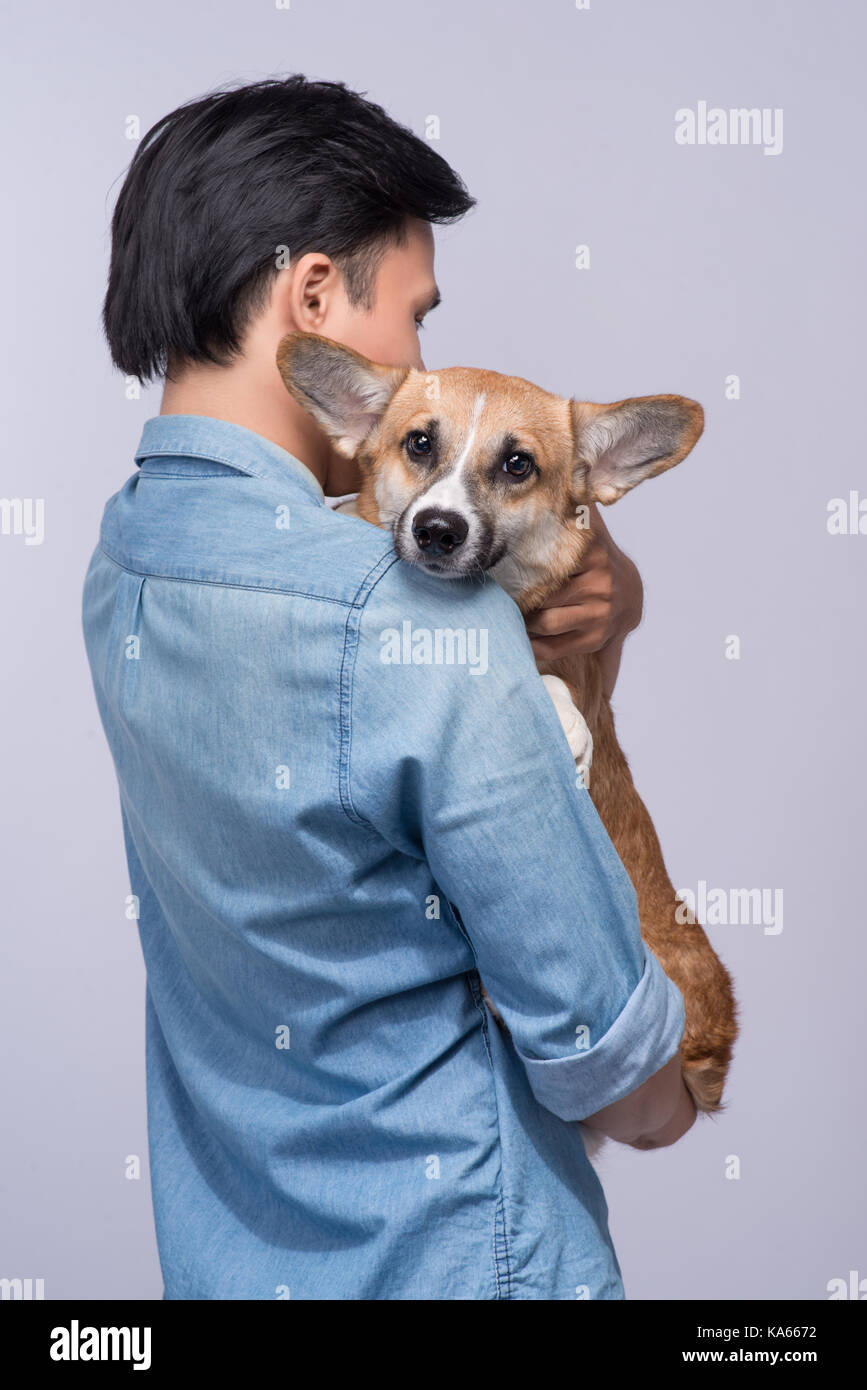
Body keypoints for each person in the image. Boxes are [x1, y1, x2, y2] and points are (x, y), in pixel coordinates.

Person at [83, 74, 695, 1302]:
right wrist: (676, 1079)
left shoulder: (123, 561)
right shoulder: (413, 618)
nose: (424, 357)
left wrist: (588, 591)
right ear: (314, 297)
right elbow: (623, 1088)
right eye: (414, 315)